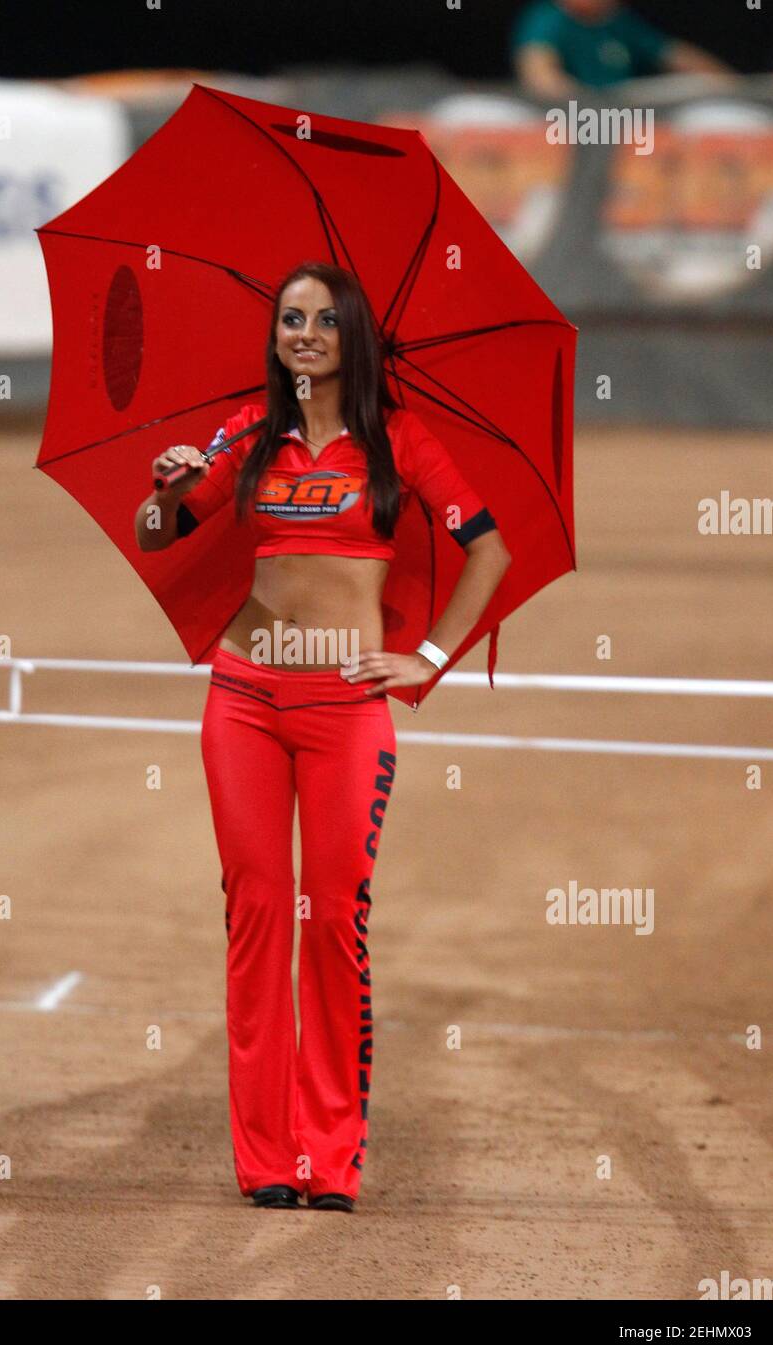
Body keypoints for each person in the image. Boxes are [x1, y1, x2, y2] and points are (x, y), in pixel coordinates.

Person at [133, 262, 510, 1213]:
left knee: (333, 921)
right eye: (288, 320)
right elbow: (155, 533)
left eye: (322, 322)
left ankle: (327, 1157)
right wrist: (165, 490)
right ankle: (265, 1158)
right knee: (257, 916)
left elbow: (489, 550)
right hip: (244, 701)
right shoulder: (248, 439)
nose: (302, 334)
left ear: (353, 340)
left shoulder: (399, 445)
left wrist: (424, 655)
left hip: (346, 713)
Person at [512, 0, 734, 99]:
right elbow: (540, 77)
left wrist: (741, 88)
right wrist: (594, 106)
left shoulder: (618, 22)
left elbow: (676, 55)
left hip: (624, 120)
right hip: (575, 123)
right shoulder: (547, 18)